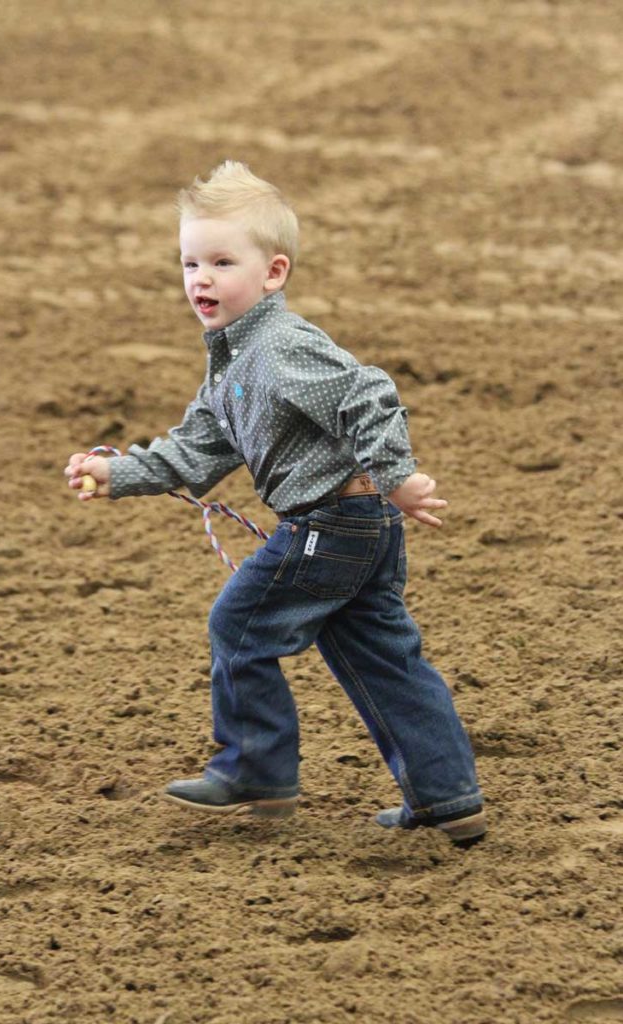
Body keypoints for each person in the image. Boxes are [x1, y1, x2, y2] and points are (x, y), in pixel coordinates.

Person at [65, 161, 486, 846]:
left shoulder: (281, 347)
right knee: (381, 656)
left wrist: (395, 475)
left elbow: (367, 392)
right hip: (353, 528)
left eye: (221, 261)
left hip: (333, 523)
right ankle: (446, 796)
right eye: (189, 262)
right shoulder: (233, 362)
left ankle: (257, 768)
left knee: (239, 625)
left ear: (273, 272)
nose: (200, 278)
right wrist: (120, 474)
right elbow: (196, 449)